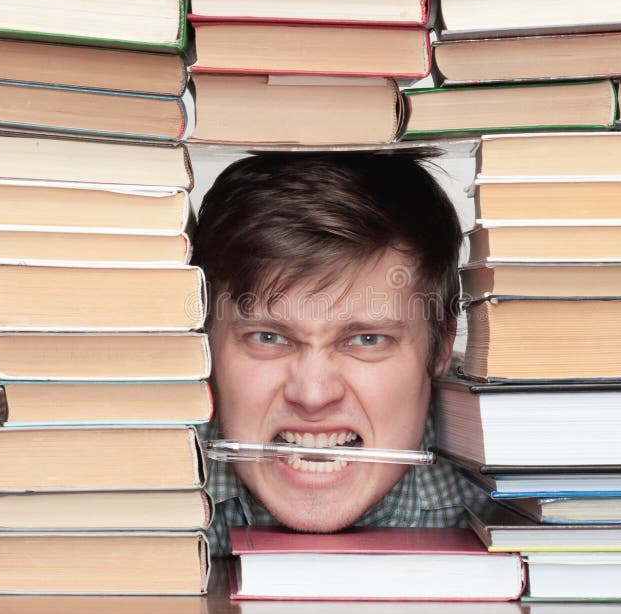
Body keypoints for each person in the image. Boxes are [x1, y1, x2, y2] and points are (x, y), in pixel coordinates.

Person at [192, 149, 476, 556]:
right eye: (268, 338)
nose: (312, 395)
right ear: (202, 344)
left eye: (366, 340)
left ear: (441, 346)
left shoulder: (512, 505)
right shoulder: (128, 499)